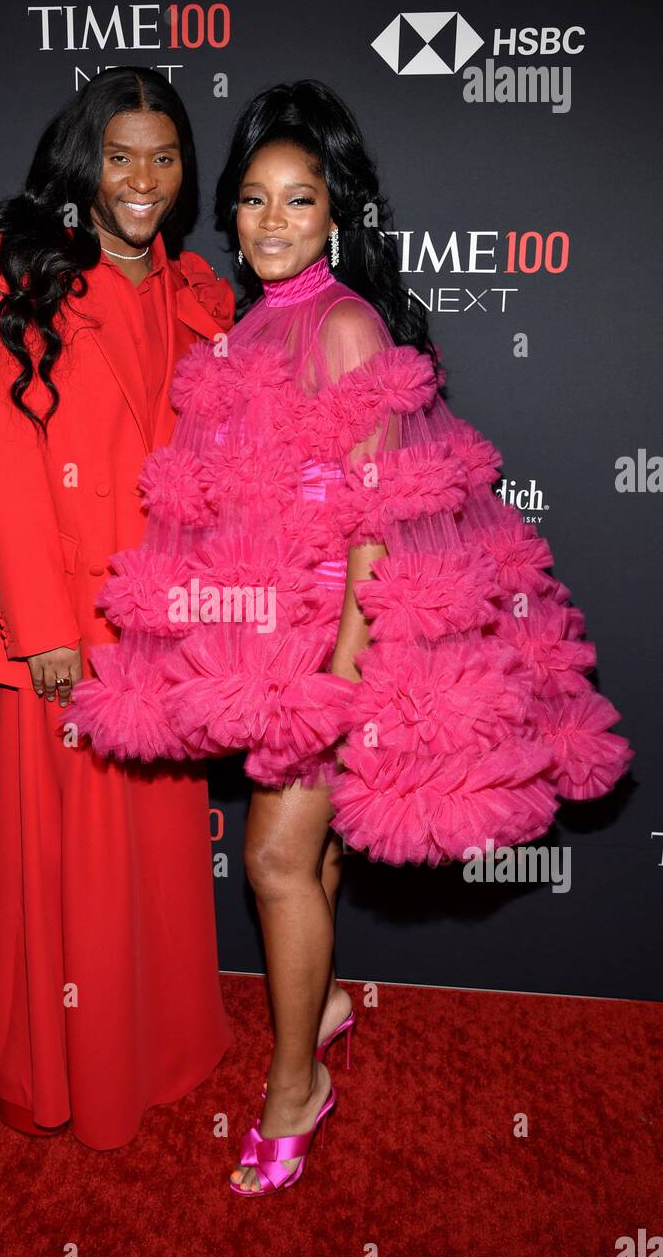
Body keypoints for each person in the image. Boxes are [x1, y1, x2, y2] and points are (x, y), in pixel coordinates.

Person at [68, 80, 633, 1192]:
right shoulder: (248, 325)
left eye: (300, 201)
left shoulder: (340, 322)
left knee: (275, 854)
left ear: (336, 216)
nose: (272, 222)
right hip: (277, 634)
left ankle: (295, 1087)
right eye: (254, 201)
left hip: (344, 639)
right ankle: (321, 1001)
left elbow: (378, 512)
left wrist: (342, 669)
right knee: (308, 852)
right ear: (229, 212)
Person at [0, 67, 235, 1149]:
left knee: (151, 858)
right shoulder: (13, 277)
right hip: (65, 632)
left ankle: (154, 1049)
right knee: (75, 867)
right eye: (120, 156)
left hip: (167, 628)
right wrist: (45, 630)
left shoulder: (193, 292)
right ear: (82, 161)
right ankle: (65, 1070)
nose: (143, 179)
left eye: (164, 156)